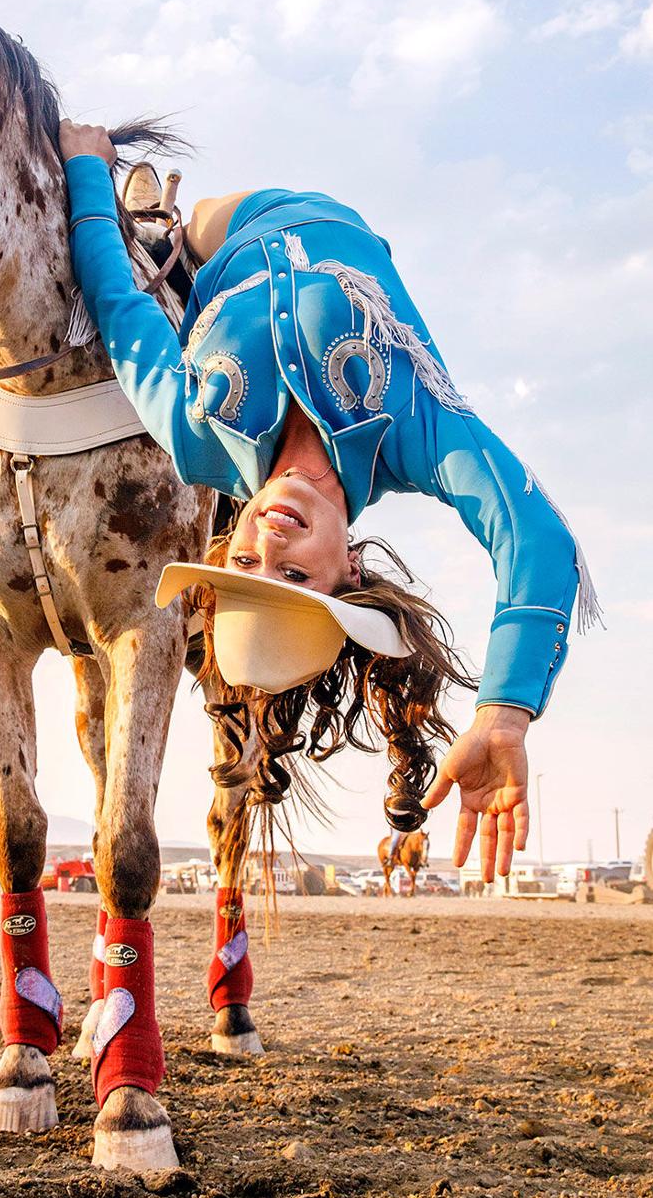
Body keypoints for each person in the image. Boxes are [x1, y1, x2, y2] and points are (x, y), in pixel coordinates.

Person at [58, 123, 598, 881]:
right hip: (333, 221)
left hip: (231, 230)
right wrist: (506, 708)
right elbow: (536, 536)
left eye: (246, 561)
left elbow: (117, 311)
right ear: (349, 568)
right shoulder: (415, 435)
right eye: (298, 578)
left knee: (153, 255)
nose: (270, 546)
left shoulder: (196, 434)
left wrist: (86, 169)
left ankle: (156, 228)